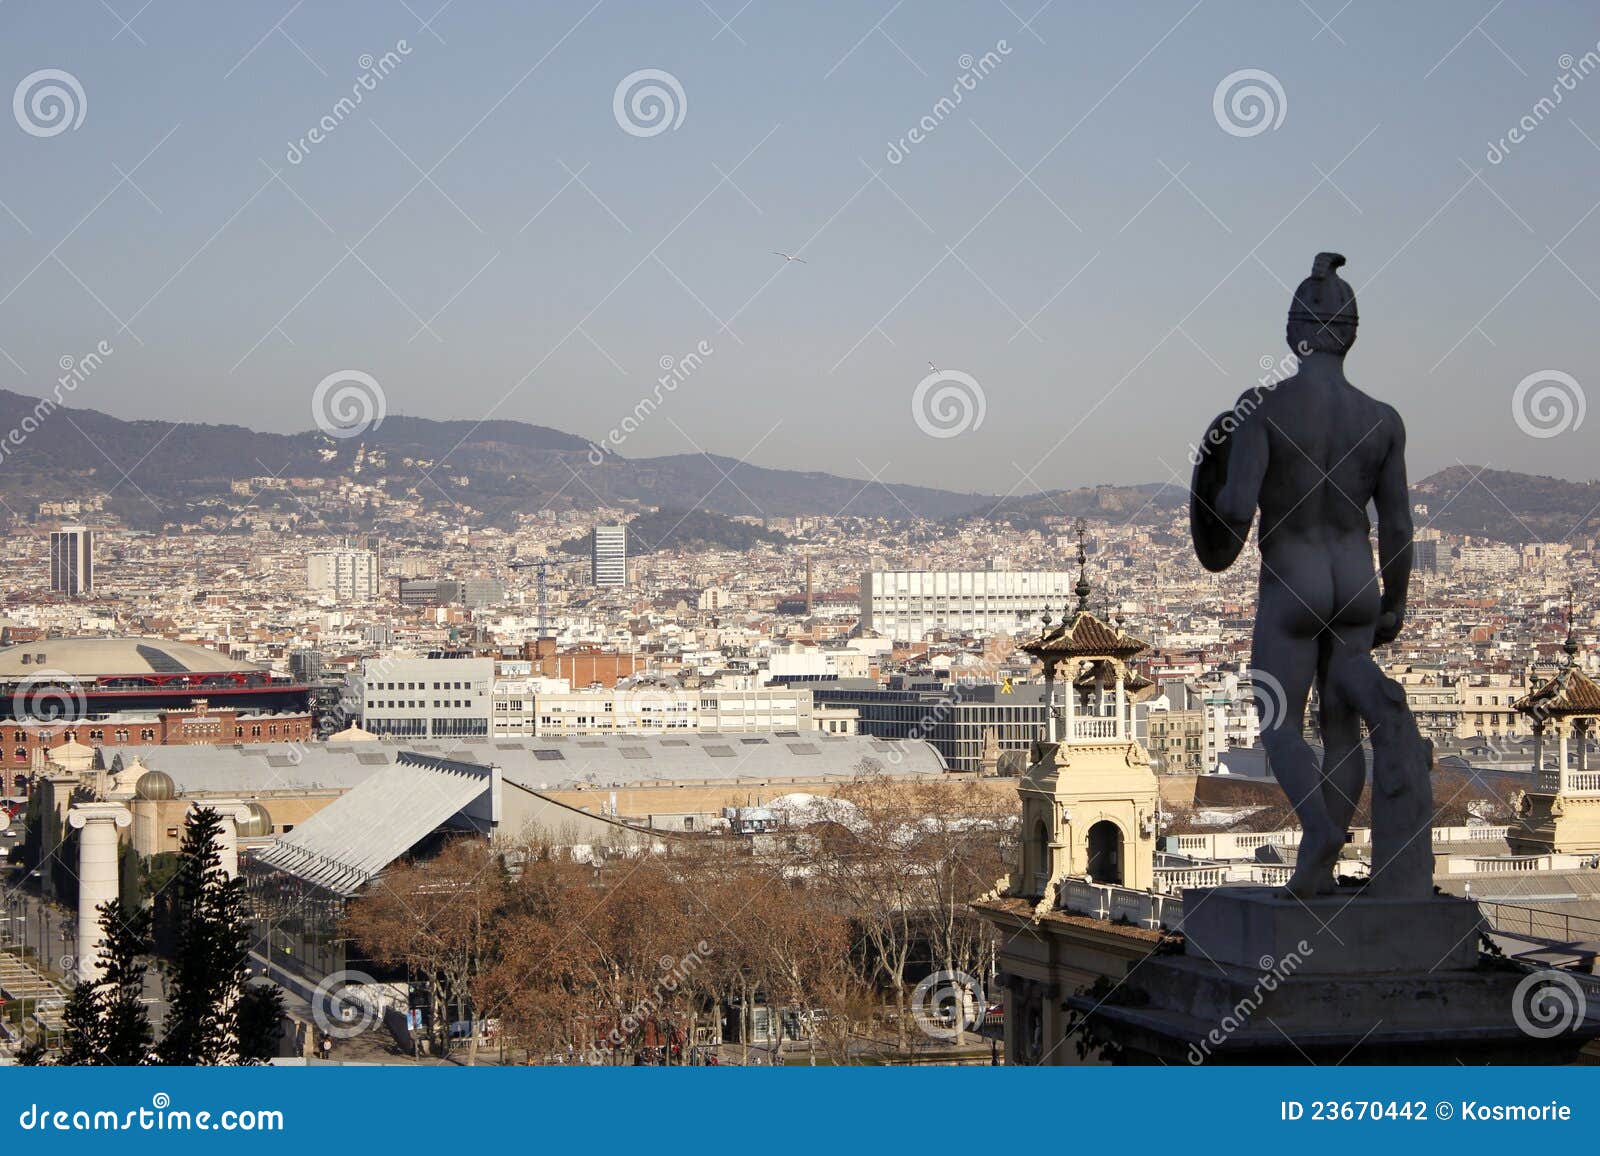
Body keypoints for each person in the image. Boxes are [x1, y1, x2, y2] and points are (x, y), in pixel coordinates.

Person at [1195, 252, 1413, 898]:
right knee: (1341, 727)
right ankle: (1319, 867)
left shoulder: (1262, 409)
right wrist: (1395, 603)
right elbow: (1398, 527)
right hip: (1357, 584)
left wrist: (1215, 489)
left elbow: (1236, 508)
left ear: (1295, 333)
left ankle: (1318, 833)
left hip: (1293, 582)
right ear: (1350, 334)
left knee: (1279, 722)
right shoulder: (1383, 421)